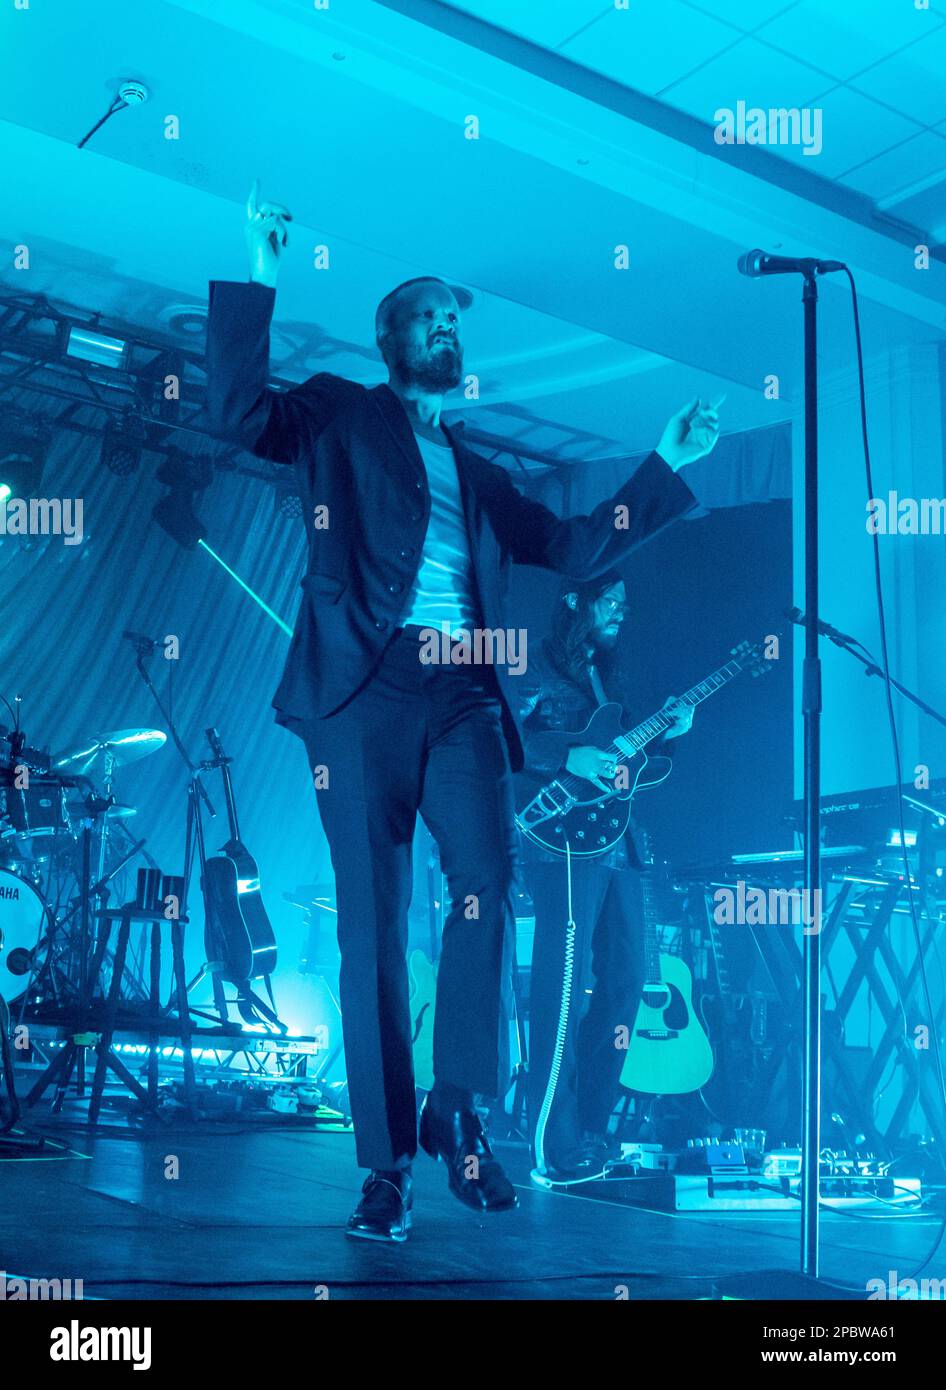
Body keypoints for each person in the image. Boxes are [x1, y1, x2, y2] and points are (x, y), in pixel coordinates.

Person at [204, 182, 720, 1242]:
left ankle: (462, 1110)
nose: (448, 324)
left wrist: (665, 461)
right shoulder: (343, 414)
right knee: (374, 924)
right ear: (391, 336)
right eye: (430, 313)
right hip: (359, 694)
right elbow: (240, 414)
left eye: (454, 317)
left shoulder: (481, 473)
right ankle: (386, 1165)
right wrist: (259, 270)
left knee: (486, 883)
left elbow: (575, 548)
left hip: (461, 691)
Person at [519, 573, 693, 1180]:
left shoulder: (610, 676)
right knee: (564, 989)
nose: (622, 609)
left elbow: (635, 768)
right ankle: (551, 1140)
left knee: (624, 984)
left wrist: (671, 737)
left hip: (622, 848)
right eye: (609, 599)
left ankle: (589, 1126)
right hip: (559, 844)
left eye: (626, 600)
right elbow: (503, 736)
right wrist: (567, 754)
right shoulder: (532, 664)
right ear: (575, 601)